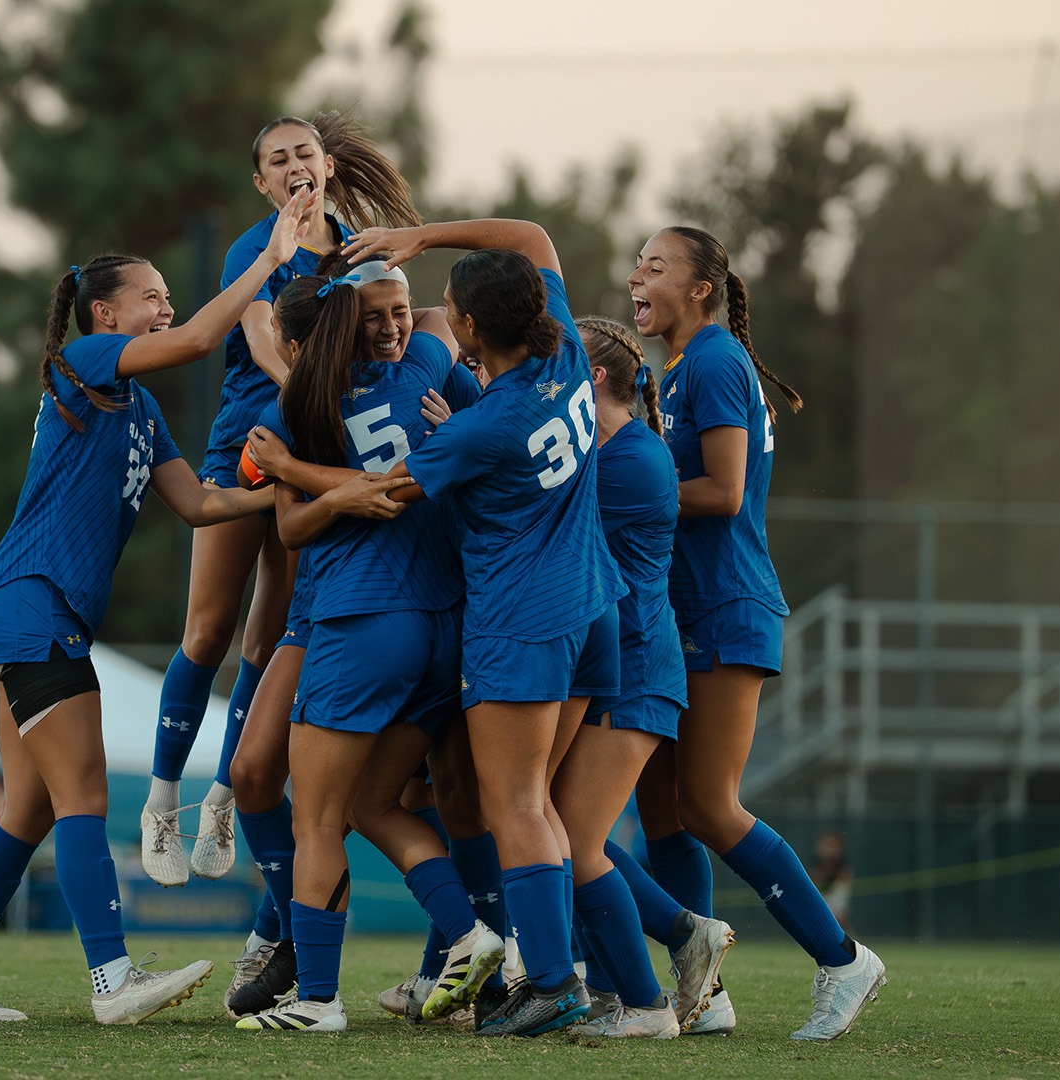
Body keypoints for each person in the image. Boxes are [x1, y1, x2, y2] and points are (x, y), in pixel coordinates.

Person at [0, 189, 313, 1026]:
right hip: (31, 603)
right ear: (103, 312)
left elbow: (199, 504)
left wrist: (289, 497)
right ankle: (112, 982)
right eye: (152, 296)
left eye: (167, 295)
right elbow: (204, 338)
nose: (166, 308)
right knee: (85, 794)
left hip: (36, 611)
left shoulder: (141, 407)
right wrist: (268, 263)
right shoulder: (85, 358)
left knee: (28, 812)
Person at [264, 217, 625, 1037]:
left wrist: (290, 473)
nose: (419, 321)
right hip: (578, 604)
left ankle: (537, 980)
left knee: (509, 808)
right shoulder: (563, 348)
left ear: (468, 328)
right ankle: (544, 967)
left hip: (500, 619)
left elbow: (381, 494)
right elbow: (530, 235)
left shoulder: (466, 423)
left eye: (440, 310)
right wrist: (423, 237)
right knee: (492, 807)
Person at [143, 114, 421, 888]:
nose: (294, 165)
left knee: (269, 640)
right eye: (277, 158)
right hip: (254, 442)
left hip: (322, 446)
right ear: (261, 181)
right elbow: (266, 341)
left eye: (305, 152)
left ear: (326, 166)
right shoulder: (256, 249)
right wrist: (308, 400)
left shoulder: (357, 243)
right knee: (208, 632)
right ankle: (162, 802)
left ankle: (226, 795)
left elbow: (393, 324)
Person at [628, 225, 885, 1041]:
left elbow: (726, 491)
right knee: (660, 809)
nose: (638, 275)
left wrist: (624, 479)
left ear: (702, 288)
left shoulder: (710, 360)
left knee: (706, 805)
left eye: (656, 265)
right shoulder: (684, 365)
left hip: (724, 605)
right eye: (638, 261)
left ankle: (843, 959)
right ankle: (703, 994)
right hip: (687, 606)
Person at [230, 267, 498, 1033]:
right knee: (371, 803)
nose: (394, 327)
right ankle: (473, 937)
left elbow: (293, 525)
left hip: (363, 620)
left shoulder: (296, 405)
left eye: (399, 311)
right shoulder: (424, 363)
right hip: (445, 625)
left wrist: (311, 481)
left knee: (315, 820)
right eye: (374, 315)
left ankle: (314, 998)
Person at [555, 317, 732, 1040]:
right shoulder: (609, 449)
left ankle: (647, 1000)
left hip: (635, 668)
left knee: (571, 838)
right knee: (566, 834)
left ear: (591, 378)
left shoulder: (633, 458)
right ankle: (671, 942)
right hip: (614, 666)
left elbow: (546, 520)